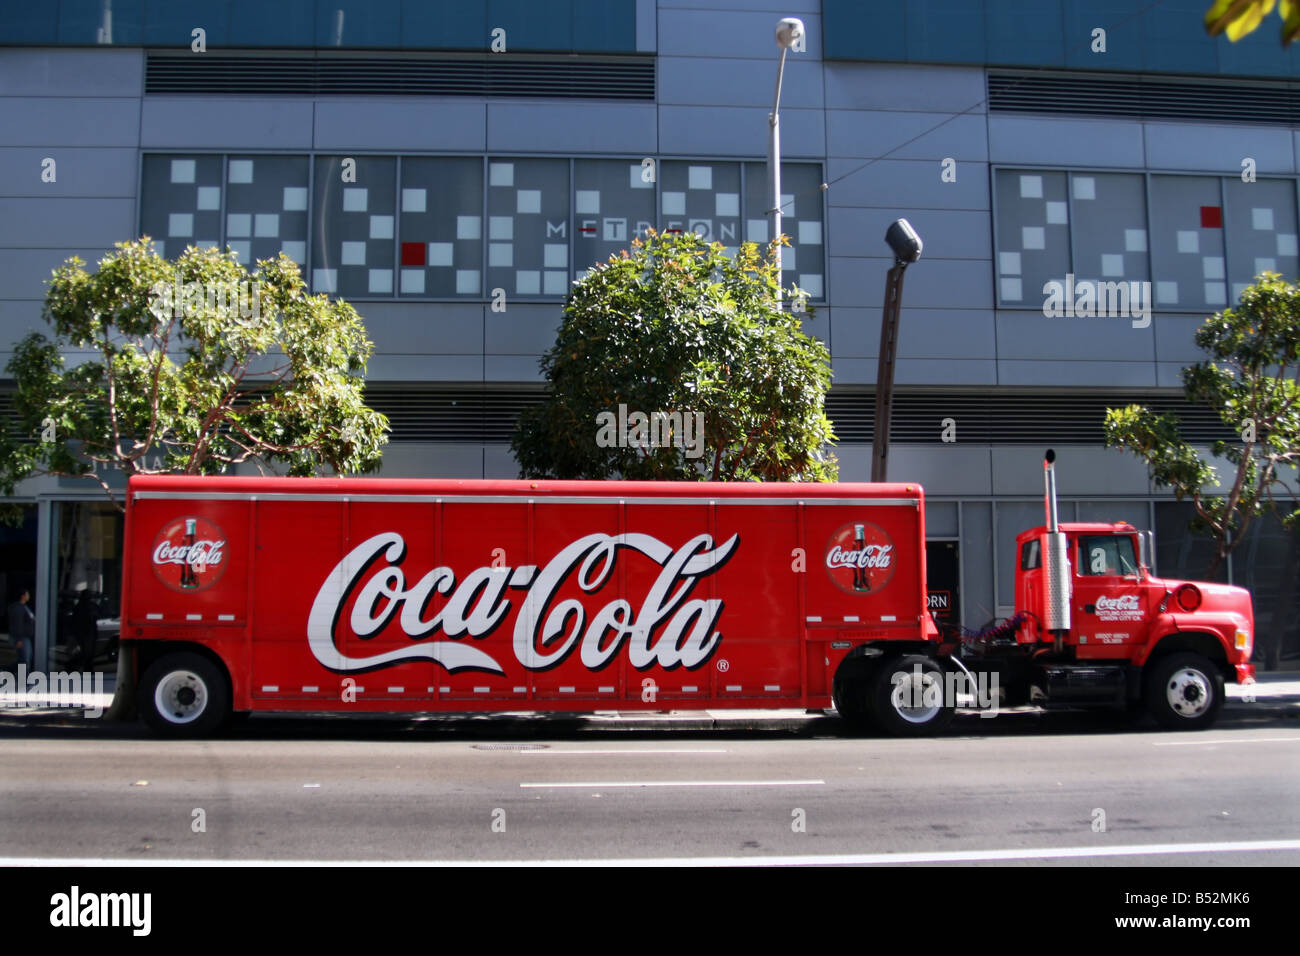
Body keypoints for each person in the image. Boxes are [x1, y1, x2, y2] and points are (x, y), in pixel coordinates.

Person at [7, 589, 35, 671]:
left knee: (23, 659)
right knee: (25, 659)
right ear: (23, 596)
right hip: (22, 638)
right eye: (27, 594)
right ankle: (23, 680)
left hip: (25, 637)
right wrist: (19, 639)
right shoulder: (18, 608)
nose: (28, 596)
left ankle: (6, 671)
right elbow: (17, 624)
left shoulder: (24, 607)